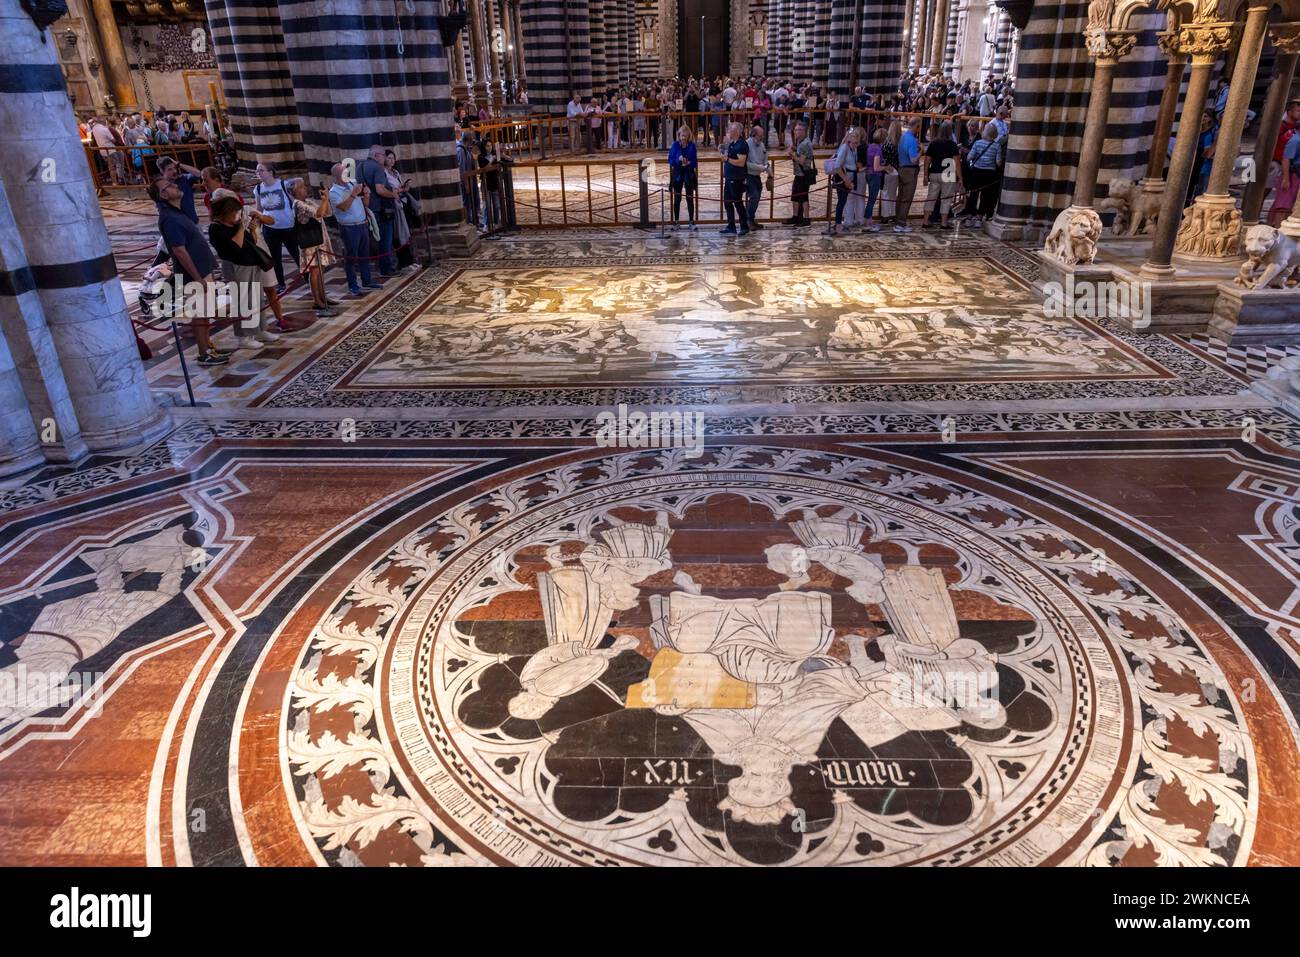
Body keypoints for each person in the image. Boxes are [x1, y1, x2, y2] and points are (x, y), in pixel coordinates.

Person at [148, 177, 226, 366]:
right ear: (164, 194)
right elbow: (179, 251)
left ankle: (209, 346)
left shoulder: (177, 212)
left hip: (202, 269)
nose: (175, 185)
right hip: (193, 274)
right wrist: (197, 277)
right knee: (199, 312)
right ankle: (203, 353)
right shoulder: (169, 219)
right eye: (169, 185)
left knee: (206, 310)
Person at [207, 195, 281, 347]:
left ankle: (260, 330)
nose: (238, 216)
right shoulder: (216, 228)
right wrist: (241, 227)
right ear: (225, 212)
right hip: (236, 266)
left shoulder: (235, 225)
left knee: (257, 299)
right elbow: (236, 247)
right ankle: (244, 337)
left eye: (238, 212)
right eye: (234, 212)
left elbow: (250, 242)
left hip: (251, 263)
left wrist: (252, 230)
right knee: (243, 302)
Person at [288, 178, 340, 316]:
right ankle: (318, 301)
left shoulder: (308, 201)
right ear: (294, 192)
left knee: (321, 269)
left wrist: (326, 199)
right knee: (314, 272)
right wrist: (324, 201)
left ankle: (323, 296)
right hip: (310, 243)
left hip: (319, 240)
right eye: (301, 187)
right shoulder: (298, 204)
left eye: (304, 186)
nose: (305, 188)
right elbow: (318, 214)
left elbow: (327, 213)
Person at [328, 161, 381, 297]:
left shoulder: (352, 184)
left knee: (364, 255)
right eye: (344, 172)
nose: (348, 173)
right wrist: (353, 194)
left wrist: (367, 195)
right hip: (349, 228)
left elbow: (365, 205)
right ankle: (353, 285)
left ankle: (367, 281)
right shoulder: (334, 193)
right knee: (351, 258)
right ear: (338, 176)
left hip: (362, 224)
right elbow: (343, 208)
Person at [252, 161, 300, 293]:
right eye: (257, 171)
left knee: (297, 255)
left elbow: (295, 203)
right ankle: (281, 284)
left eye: (261, 170)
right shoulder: (259, 189)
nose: (258, 173)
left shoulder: (284, 185)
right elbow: (259, 209)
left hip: (288, 227)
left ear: (270, 172)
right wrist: (257, 228)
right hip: (270, 229)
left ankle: (307, 278)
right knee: (275, 258)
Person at [359, 144, 399, 277]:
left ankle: (373, 269)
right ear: (376, 155)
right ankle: (386, 269)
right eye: (383, 155)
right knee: (385, 240)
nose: (384, 158)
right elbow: (380, 190)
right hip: (381, 210)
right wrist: (393, 194)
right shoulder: (378, 168)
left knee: (372, 241)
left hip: (365, 209)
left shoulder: (360, 167)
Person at [923, 120, 962, 229]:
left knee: (931, 197)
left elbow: (927, 160)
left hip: (934, 172)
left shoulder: (933, 143)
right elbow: (957, 163)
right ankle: (944, 222)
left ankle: (926, 221)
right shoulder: (952, 145)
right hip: (948, 173)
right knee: (946, 199)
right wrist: (960, 178)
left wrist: (925, 175)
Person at [964, 123, 1003, 226]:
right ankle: (979, 218)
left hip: (977, 171)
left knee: (973, 194)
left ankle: (969, 217)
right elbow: (998, 162)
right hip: (989, 173)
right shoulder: (997, 146)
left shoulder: (977, 143)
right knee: (985, 196)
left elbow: (969, 157)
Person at [829, 126, 862, 235]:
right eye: (854, 143)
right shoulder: (844, 148)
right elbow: (837, 167)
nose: (856, 145)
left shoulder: (854, 148)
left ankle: (838, 223)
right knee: (842, 201)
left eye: (857, 143)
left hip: (850, 178)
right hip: (843, 178)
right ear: (849, 140)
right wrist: (846, 180)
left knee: (843, 201)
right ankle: (838, 224)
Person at [784, 120, 816, 227]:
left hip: (803, 174)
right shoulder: (800, 142)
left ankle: (806, 218)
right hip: (798, 174)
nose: (795, 132)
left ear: (803, 131)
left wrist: (792, 154)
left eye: (798, 130)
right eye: (795, 130)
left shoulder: (805, 144)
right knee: (795, 197)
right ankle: (796, 216)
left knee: (803, 197)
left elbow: (802, 161)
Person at [720, 121, 750, 236]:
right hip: (729, 177)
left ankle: (744, 226)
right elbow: (728, 156)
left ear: (736, 131)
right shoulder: (733, 143)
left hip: (736, 178)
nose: (728, 131)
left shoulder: (742, 144)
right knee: (727, 202)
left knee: (737, 202)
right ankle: (731, 226)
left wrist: (727, 160)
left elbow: (741, 162)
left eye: (730, 130)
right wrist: (722, 152)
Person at [668, 124, 698, 229]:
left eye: (685, 136)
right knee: (677, 198)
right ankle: (676, 222)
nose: (683, 138)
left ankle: (691, 222)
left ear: (689, 136)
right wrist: (678, 160)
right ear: (679, 135)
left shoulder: (692, 146)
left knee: (689, 198)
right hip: (678, 173)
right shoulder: (675, 145)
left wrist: (688, 163)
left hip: (688, 174)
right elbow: (670, 160)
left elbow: (695, 162)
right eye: (682, 135)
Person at [895, 117, 922, 232]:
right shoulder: (911, 140)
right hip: (910, 171)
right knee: (907, 198)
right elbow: (913, 160)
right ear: (916, 126)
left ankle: (898, 220)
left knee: (900, 196)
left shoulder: (903, 136)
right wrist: (922, 151)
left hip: (901, 168)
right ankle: (901, 223)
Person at [745, 123, 769, 230]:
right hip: (749, 175)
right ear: (754, 135)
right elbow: (745, 163)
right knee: (754, 196)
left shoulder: (762, 144)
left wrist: (768, 169)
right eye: (760, 136)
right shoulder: (746, 144)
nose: (762, 137)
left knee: (757, 197)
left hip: (757, 176)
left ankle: (751, 219)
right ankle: (747, 220)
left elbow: (765, 159)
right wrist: (760, 167)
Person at [880, 120, 902, 226]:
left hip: (887, 170)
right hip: (896, 171)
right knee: (893, 194)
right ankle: (893, 214)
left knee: (885, 193)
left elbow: (882, 159)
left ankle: (885, 216)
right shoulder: (899, 144)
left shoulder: (886, 144)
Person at [864, 128, 885, 232]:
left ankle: (869, 219)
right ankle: (867, 222)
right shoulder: (878, 149)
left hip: (868, 174)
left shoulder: (870, 146)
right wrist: (886, 167)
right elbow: (876, 167)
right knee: (872, 200)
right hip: (874, 175)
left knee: (871, 199)